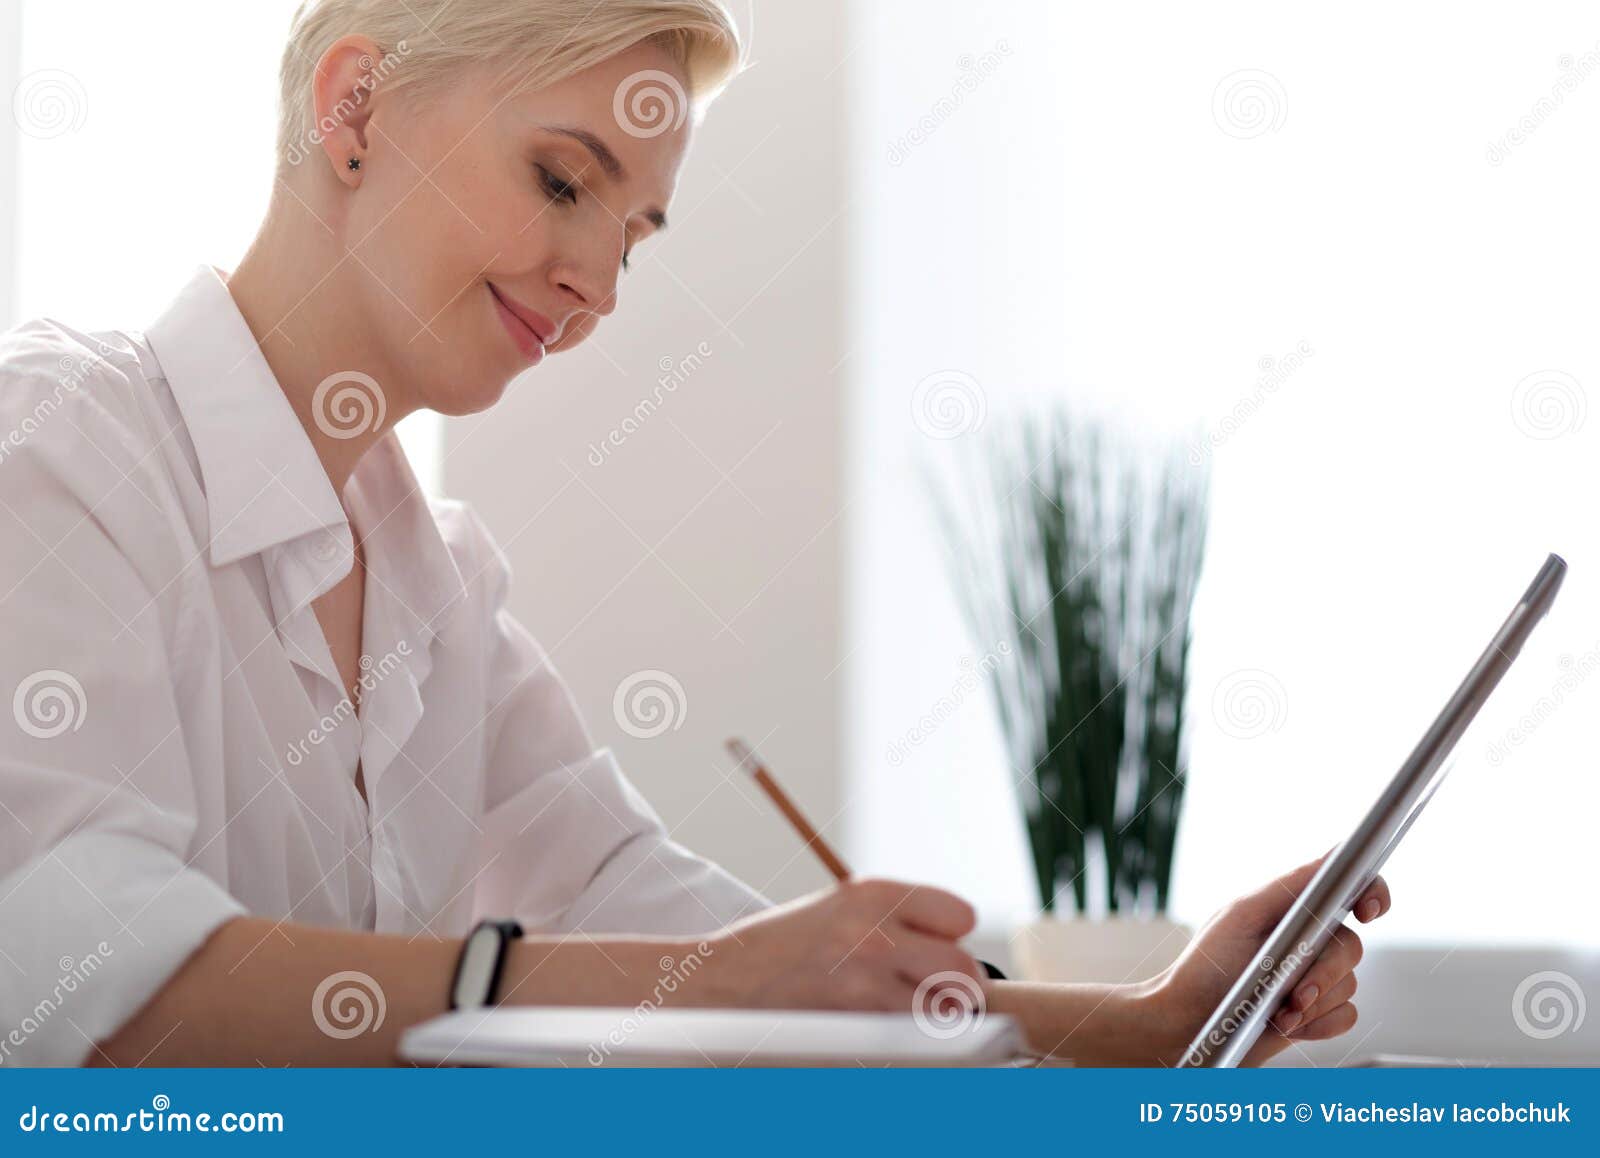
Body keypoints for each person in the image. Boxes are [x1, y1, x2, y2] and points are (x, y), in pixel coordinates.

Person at [0, 0, 1387, 1067]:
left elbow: (644, 903)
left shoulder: (442, 583)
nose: (597, 281)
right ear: (355, 104)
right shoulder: (62, 446)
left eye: (636, 232)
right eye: (562, 180)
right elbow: (77, 967)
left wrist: (1146, 1019)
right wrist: (647, 982)